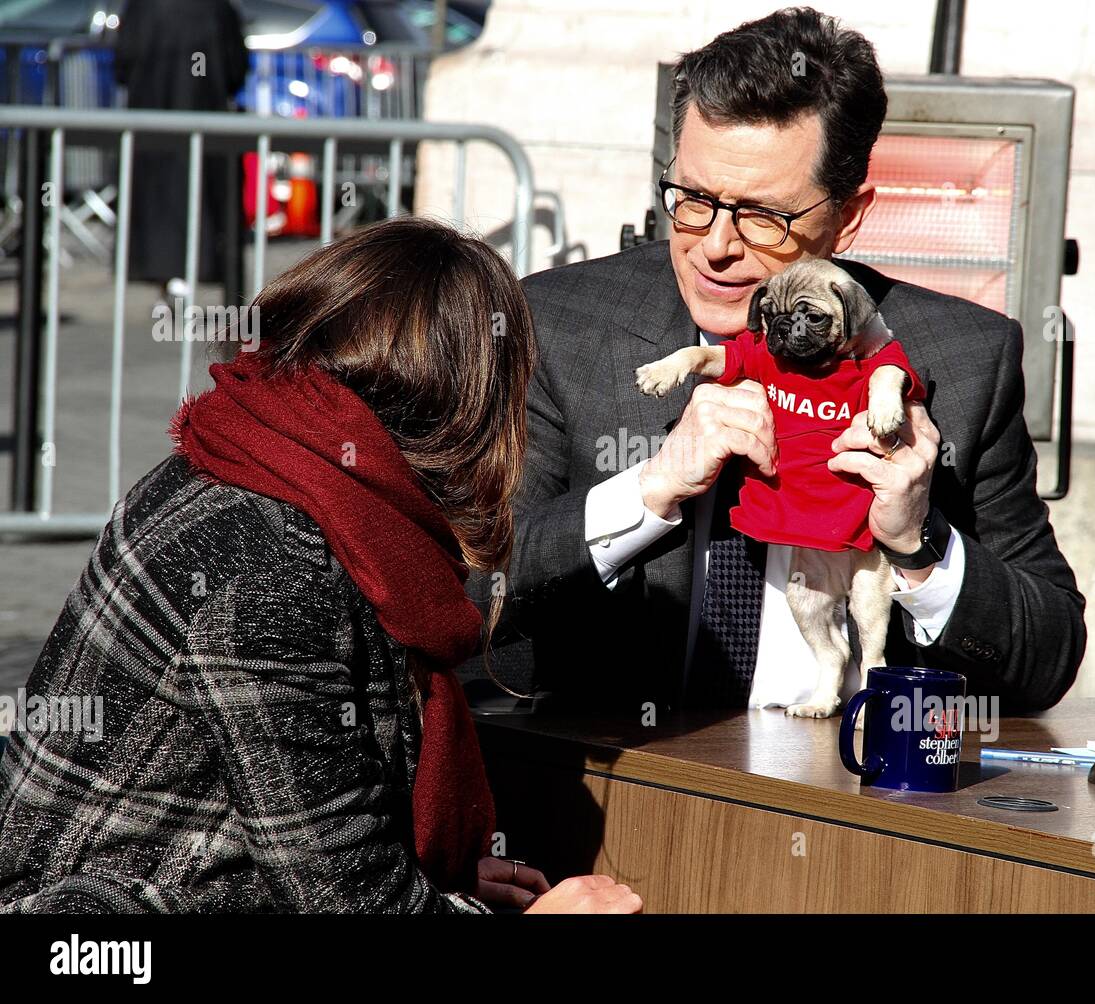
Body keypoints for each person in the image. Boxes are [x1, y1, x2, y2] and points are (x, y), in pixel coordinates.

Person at [0, 217, 641, 915]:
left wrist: (434, 884)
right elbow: (348, 903)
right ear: (468, 413)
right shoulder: (272, 569)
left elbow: (318, 817)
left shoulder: (261, 448)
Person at [471, 7, 1086, 718]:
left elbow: (1047, 660)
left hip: (852, 792)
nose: (716, 246)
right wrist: (646, 491)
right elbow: (461, 597)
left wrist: (920, 546)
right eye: (694, 201)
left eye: (766, 216)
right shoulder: (559, 325)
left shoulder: (967, 358)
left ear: (849, 216)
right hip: (625, 783)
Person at [114, 0, 247, 297]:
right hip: (204, 119)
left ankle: (166, 278)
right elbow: (235, 68)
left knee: (158, 200)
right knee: (201, 196)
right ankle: (196, 274)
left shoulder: (141, 8)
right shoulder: (216, 8)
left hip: (151, 122)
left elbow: (122, 64)